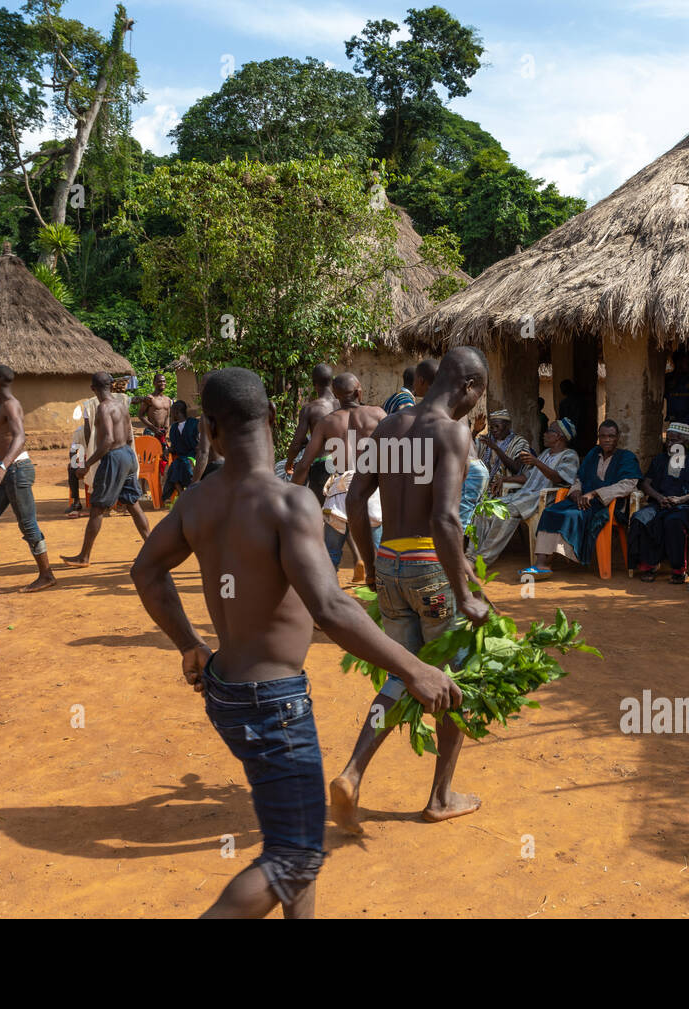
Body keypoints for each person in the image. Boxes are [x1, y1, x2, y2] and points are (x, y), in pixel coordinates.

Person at [129, 367, 458, 918]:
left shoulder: (197, 501)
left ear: (208, 429)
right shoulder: (290, 503)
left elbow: (147, 571)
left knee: (292, 836)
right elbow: (330, 609)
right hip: (274, 701)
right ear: (278, 420)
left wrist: (189, 643)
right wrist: (415, 670)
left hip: (226, 692)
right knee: (296, 857)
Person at [331, 346, 492, 834]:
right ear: (467, 385)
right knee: (454, 682)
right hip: (432, 571)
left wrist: (372, 567)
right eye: (478, 394)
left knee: (402, 675)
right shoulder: (452, 432)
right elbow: (445, 517)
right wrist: (463, 592)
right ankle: (441, 797)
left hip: (392, 561)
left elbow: (356, 498)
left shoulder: (389, 426)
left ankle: (352, 772)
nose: (474, 406)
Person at [523, 419, 640, 578]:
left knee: (572, 516)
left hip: (606, 506)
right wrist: (576, 492)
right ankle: (541, 564)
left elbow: (628, 484)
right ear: (598, 437)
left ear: (618, 437)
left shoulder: (626, 457)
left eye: (611, 436)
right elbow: (579, 479)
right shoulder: (593, 455)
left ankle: (551, 561)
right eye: (603, 436)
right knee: (551, 512)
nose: (607, 440)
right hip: (581, 501)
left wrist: (594, 494)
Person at [293, 373, 386, 572]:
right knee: (380, 557)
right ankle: (382, 597)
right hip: (371, 491)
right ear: (359, 392)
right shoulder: (378, 414)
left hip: (341, 493)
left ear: (336, 396)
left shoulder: (327, 422)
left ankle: (326, 600)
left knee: (330, 556)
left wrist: (291, 494)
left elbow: (304, 464)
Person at [0, 365, 55, 592]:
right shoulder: (4, 404)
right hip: (9, 472)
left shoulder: (10, 405)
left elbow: (20, 437)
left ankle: (47, 575)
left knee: (28, 524)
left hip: (16, 470)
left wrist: (2, 465)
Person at [61, 372, 152, 567]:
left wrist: (86, 465)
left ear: (93, 388)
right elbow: (129, 435)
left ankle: (83, 557)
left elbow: (108, 440)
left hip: (114, 457)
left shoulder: (103, 408)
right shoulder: (121, 405)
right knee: (133, 504)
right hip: (128, 454)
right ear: (111, 386)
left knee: (97, 507)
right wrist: (126, 457)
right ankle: (153, 550)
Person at [471, 418, 580, 565]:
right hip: (524, 495)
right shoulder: (546, 453)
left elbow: (560, 478)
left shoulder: (569, 455)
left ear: (559, 436)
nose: (544, 434)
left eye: (549, 431)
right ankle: (470, 555)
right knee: (484, 508)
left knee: (505, 512)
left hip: (541, 499)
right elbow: (528, 476)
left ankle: (482, 560)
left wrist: (536, 462)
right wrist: (505, 479)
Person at [630, 421, 689, 583]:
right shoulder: (660, 459)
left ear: (685, 442)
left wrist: (681, 499)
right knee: (641, 518)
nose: (669, 444)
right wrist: (659, 497)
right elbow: (645, 483)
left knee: (673, 521)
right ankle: (649, 565)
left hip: (684, 506)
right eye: (668, 440)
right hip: (659, 503)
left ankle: (678, 570)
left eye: (674, 440)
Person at [284, 363, 339, 503]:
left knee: (317, 510)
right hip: (345, 465)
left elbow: (296, 443)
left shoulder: (311, 409)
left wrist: (289, 463)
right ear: (332, 381)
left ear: (314, 383)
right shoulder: (343, 405)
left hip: (322, 466)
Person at [478, 409, 532, 497]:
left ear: (507, 426)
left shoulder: (519, 442)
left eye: (497, 426)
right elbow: (470, 450)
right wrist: (475, 432)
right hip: (484, 486)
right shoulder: (487, 439)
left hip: (507, 488)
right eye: (491, 427)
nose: (494, 430)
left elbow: (516, 469)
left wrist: (495, 448)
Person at [161, 401, 201, 501]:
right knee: (175, 467)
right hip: (181, 457)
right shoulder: (174, 428)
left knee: (185, 464)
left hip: (194, 455)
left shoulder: (194, 423)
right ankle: (182, 495)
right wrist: (167, 450)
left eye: (172, 411)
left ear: (177, 411)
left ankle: (190, 494)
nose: (171, 414)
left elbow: (200, 442)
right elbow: (174, 447)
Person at [663, 349, 689, 426]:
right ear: (679, 363)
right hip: (674, 418)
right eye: (686, 362)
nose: (688, 364)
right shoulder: (668, 378)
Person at [134, 372, 172, 442]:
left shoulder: (168, 399)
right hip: (151, 432)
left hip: (162, 432)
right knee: (149, 453)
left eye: (164, 381)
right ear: (154, 383)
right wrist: (154, 429)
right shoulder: (149, 398)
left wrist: (166, 428)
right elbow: (140, 415)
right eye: (160, 381)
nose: (162, 383)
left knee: (162, 452)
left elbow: (167, 415)